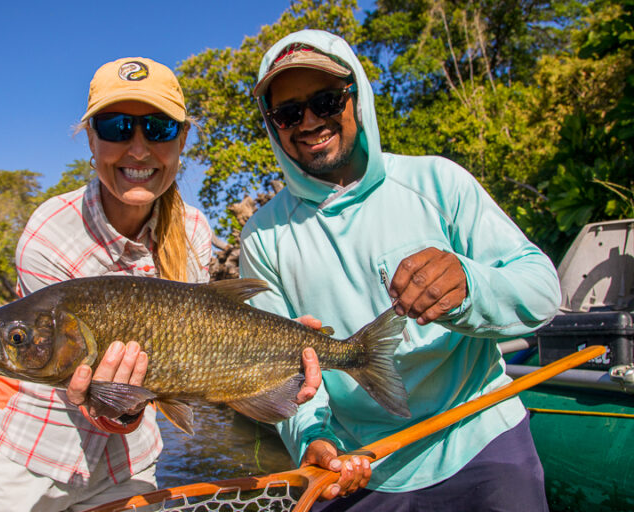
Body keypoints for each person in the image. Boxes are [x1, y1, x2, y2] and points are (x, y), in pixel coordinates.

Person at [0, 56, 321, 511]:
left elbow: (194, 359)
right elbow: (66, 375)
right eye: (117, 127)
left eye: (159, 129)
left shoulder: (195, 231)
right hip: (16, 461)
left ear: (182, 139)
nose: (138, 149)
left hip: (128, 465)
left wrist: (273, 352)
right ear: (90, 139)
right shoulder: (48, 233)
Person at [239, 30, 562, 510]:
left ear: (357, 98)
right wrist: (312, 438)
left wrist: (470, 285)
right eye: (287, 113)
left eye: (326, 101)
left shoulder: (438, 181)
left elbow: (541, 291)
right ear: (273, 124)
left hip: (482, 439)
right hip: (359, 468)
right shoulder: (262, 237)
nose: (308, 122)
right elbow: (278, 370)